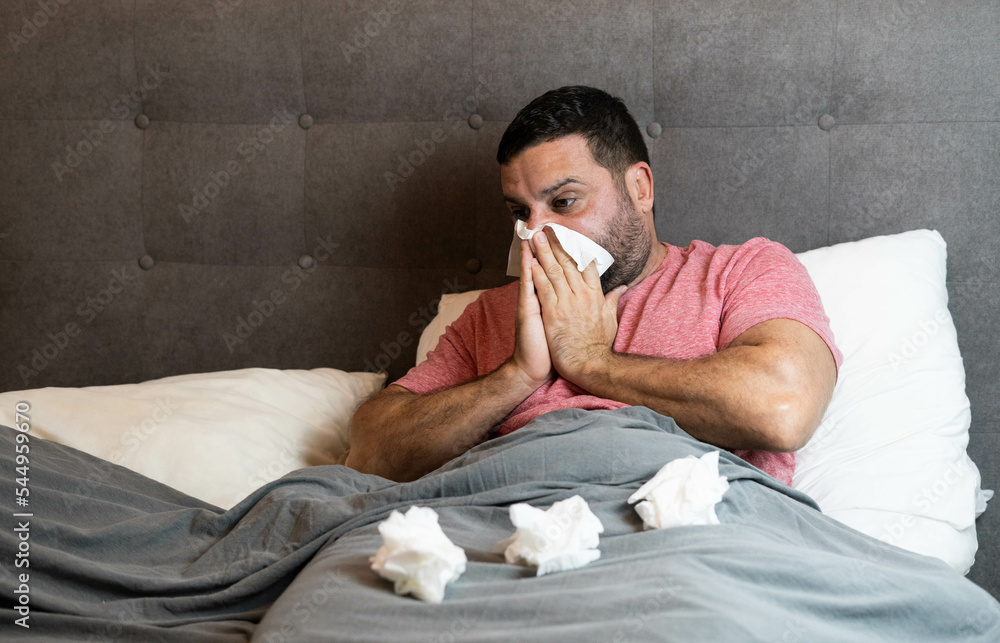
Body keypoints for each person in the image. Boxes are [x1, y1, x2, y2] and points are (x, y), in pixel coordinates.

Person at [346, 86, 841, 486]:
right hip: (509, 521)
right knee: (304, 501)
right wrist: (518, 375)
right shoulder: (492, 315)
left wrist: (591, 362)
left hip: (680, 527)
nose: (534, 233)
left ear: (639, 188)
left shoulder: (739, 271)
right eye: (520, 212)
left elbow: (783, 409)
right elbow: (371, 453)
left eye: (562, 202)